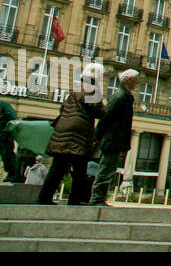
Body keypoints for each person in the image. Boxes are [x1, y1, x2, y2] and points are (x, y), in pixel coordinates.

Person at [40, 63, 106, 205]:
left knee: (58, 167)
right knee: (80, 168)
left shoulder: (76, 89)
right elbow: (99, 111)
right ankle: (75, 198)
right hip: (79, 133)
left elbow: (63, 108)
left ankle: (44, 197)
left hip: (62, 131)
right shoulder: (92, 90)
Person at [88, 68, 138, 206]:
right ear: (129, 80)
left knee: (108, 170)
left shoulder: (126, 96)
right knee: (105, 169)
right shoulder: (119, 96)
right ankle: (96, 198)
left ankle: (99, 198)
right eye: (136, 79)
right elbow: (106, 117)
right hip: (112, 139)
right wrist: (97, 137)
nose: (138, 82)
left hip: (116, 138)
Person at [0, 97, 20, 182]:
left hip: (4, 137)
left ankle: (13, 174)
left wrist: (8, 133)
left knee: (7, 156)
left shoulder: (4, 105)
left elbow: (12, 119)